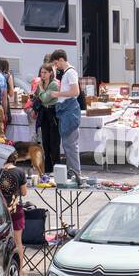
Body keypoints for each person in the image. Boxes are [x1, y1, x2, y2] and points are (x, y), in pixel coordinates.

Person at [51, 49, 83, 181]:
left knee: (70, 145)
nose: (56, 66)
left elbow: (75, 92)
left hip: (69, 110)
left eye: (56, 63)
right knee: (68, 145)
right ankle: (72, 173)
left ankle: (75, 173)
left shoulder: (70, 72)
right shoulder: (67, 72)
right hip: (67, 110)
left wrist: (58, 94)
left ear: (61, 59)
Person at [0, 149, 28, 258]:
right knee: (18, 242)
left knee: (0, 242)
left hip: (0, 210)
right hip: (15, 208)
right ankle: (20, 268)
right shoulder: (20, 172)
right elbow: (24, 193)